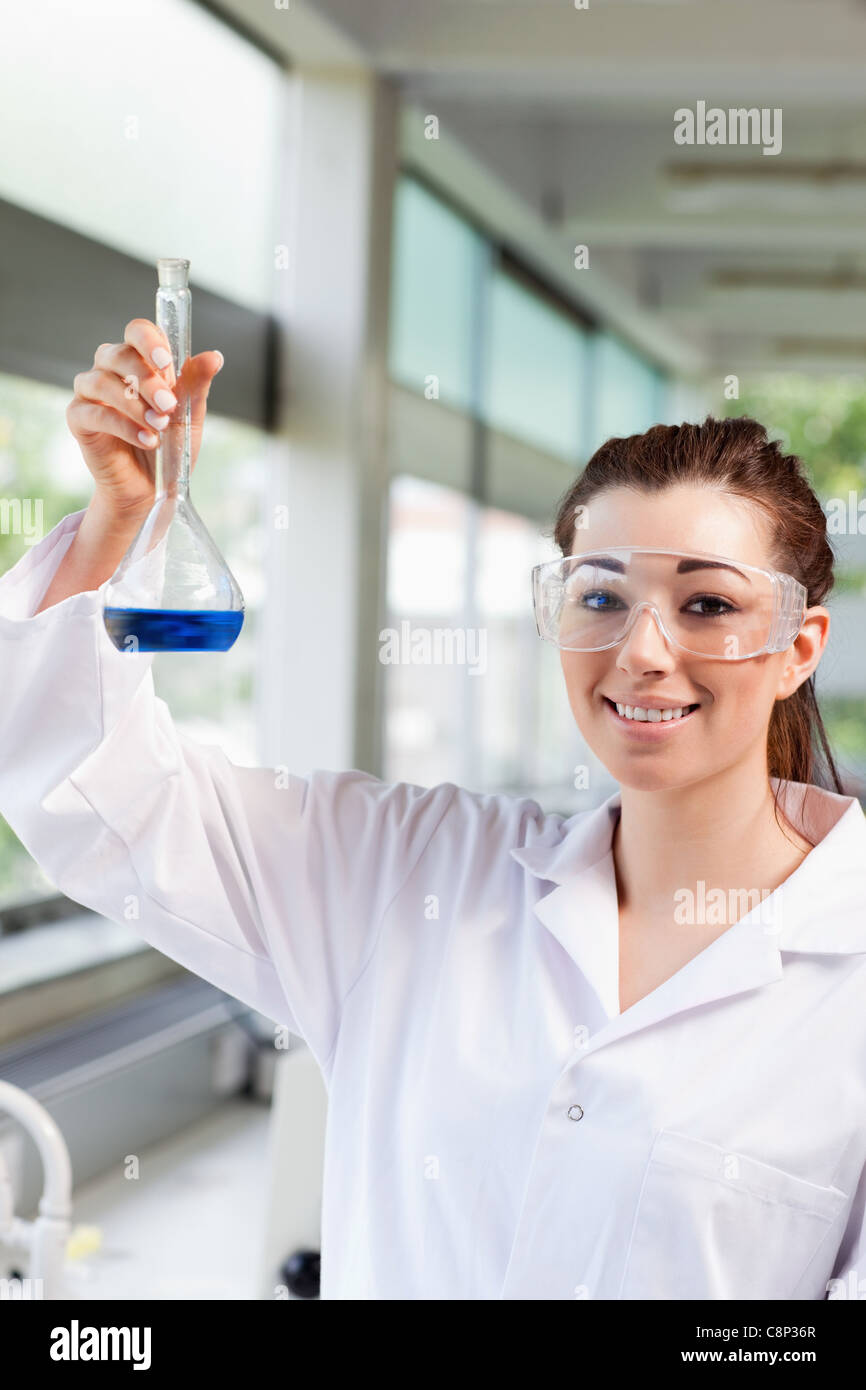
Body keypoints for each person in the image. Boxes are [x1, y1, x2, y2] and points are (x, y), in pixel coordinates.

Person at [0, 319, 864, 1302]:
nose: (641, 653)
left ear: (798, 646)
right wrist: (121, 519)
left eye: (706, 604)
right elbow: (97, 789)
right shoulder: (409, 877)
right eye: (598, 597)